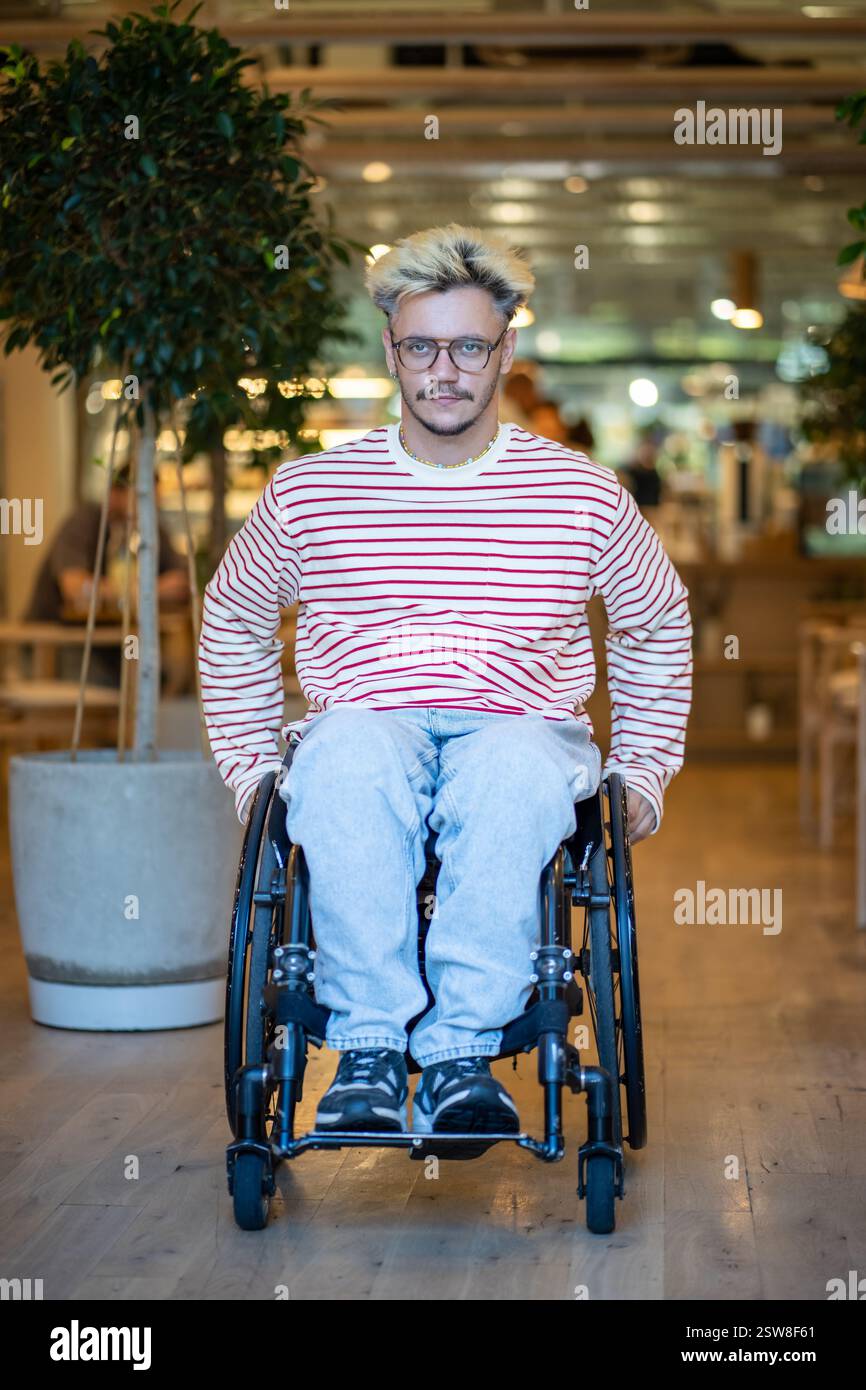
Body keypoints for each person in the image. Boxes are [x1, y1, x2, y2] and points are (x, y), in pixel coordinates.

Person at [199, 222, 693, 1141]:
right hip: (365, 719)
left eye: (469, 346)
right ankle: (374, 1048)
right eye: (423, 347)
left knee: (511, 771)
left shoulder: (581, 494)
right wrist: (247, 768)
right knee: (343, 757)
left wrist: (645, 772)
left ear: (504, 349)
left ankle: (460, 1051)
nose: (446, 371)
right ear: (392, 349)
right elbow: (233, 617)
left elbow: (655, 621)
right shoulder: (311, 490)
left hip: (521, 723)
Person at [25, 471, 189, 684]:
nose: (150, 510)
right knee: (115, 684)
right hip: (63, 641)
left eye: (155, 502)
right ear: (114, 494)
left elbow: (181, 582)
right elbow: (74, 587)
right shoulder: (86, 521)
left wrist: (128, 592)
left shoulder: (151, 529)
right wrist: (142, 591)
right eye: (143, 500)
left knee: (162, 678)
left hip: (119, 644)